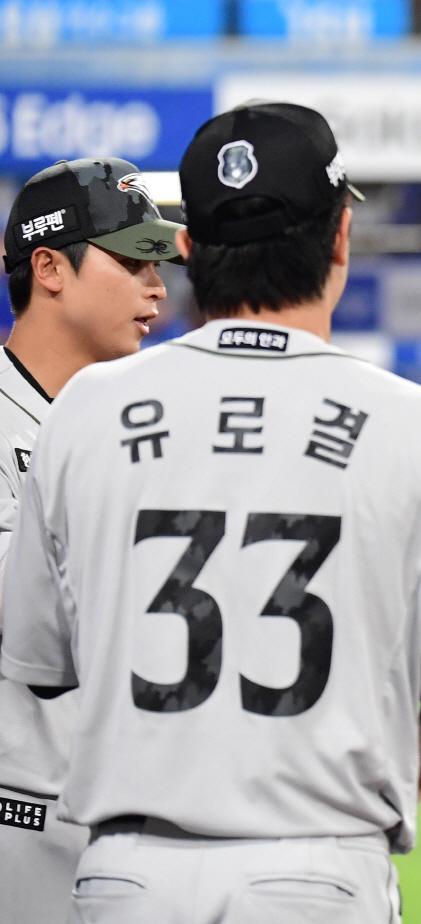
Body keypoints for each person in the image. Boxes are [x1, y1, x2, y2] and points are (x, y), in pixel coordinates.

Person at [0, 103, 421, 923]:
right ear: (339, 241)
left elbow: (42, 662)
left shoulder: (86, 414)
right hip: (316, 861)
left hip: (124, 874)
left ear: (188, 250)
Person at [0, 156, 180, 924]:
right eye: (135, 260)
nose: (158, 288)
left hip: (133, 826)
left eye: (160, 263)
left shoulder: (146, 429)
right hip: (18, 822)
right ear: (49, 267)